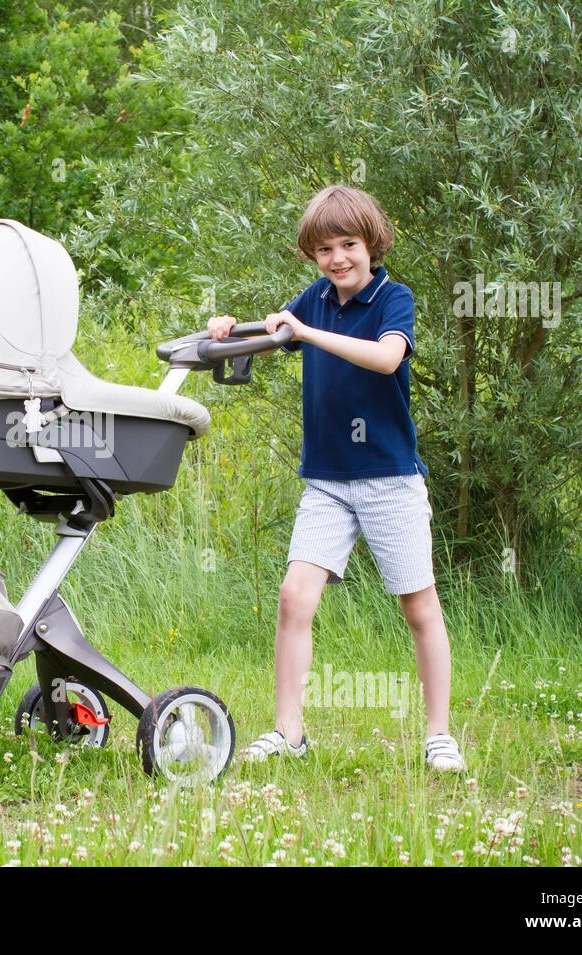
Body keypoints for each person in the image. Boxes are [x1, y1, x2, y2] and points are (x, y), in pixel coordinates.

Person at [207, 184, 465, 771]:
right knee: (294, 597)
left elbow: (386, 358)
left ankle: (439, 735)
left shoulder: (394, 298)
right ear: (312, 256)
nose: (337, 259)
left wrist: (302, 331)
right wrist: (230, 332)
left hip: (388, 478)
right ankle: (289, 734)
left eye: (348, 244)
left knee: (418, 607)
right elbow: (273, 333)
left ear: (371, 244)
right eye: (324, 249)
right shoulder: (316, 298)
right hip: (326, 481)